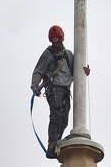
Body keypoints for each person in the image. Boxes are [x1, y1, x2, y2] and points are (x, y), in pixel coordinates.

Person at [30, 24, 90, 159]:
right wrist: (35, 85)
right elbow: (38, 70)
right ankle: (52, 145)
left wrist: (85, 71)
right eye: (54, 42)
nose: (56, 44)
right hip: (54, 89)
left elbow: (78, 71)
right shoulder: (48, 54)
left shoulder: (68, 55)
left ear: (62, 39)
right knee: (56, 116)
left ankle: (57, 143)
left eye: (58, 41)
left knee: (64, 120)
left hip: (65, 90)